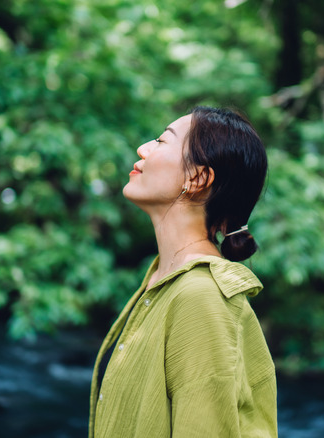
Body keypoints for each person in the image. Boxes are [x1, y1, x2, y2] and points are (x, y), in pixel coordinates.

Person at [88, 106, 277, 437]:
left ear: (198, 178)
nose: (143, 148)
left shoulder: (201, 297)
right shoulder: (163, 281)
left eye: (162, 141)